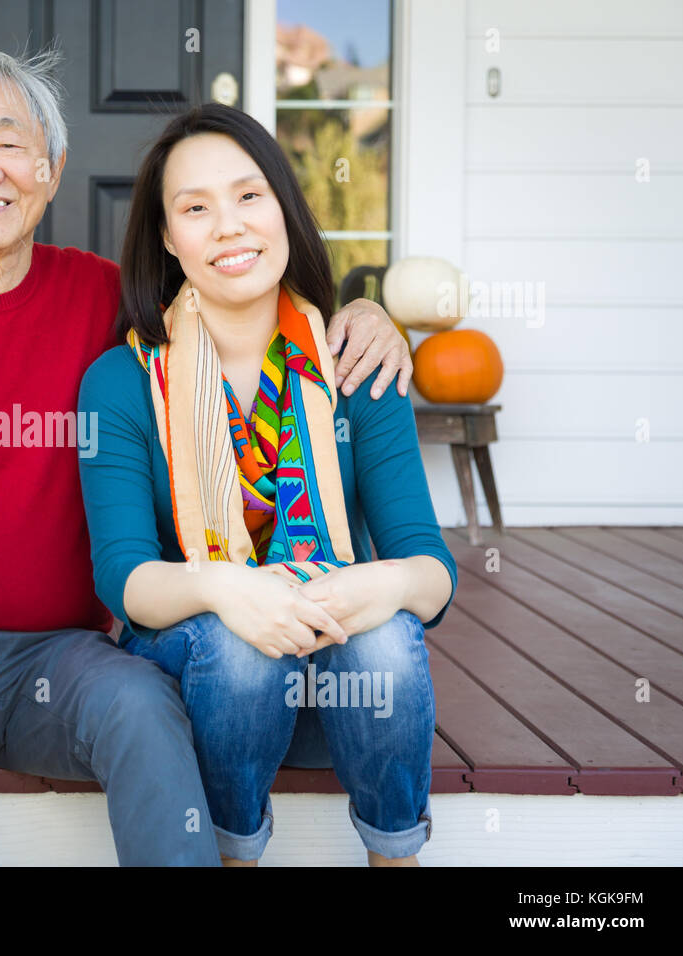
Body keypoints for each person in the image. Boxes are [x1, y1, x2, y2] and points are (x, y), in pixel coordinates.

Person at [0, 49, 414, 865]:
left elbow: (240, 301)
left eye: (10, 143)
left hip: (71, 656)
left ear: (52, 170)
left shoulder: (110, 302)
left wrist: (368, 314)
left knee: (142, 706)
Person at [77, 103, 458, 867]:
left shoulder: (358, 366)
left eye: (250, 196)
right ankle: (232, 854)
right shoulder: (121, 382)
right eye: (196, 208)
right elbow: (125, 581)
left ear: (284, 205)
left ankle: (396, 857)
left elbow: (431, 572)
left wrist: (377, 588)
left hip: (334, 678)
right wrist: (227, 589)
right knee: (242, 646)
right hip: (206, 682)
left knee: (386, 639)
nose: (229, 226)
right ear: (166, 237)